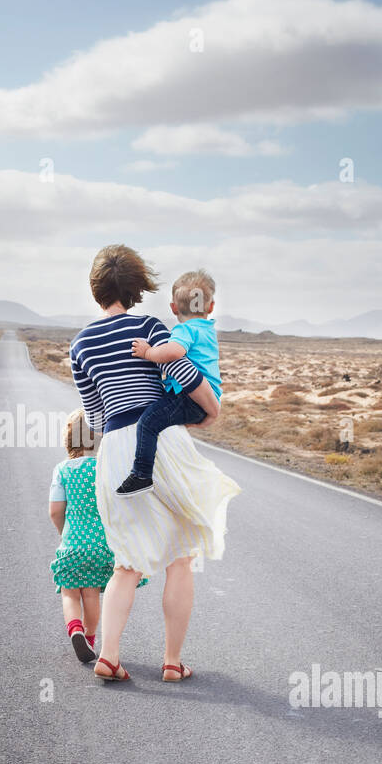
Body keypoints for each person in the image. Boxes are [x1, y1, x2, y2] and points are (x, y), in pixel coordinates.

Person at [70, 245, 240, 683]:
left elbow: (94, 418)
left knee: (126, 562)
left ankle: (108, 655)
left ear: (96, 288)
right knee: (180, 558)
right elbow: (182, 372)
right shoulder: (150, 326)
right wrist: (210, 410)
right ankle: (171, 661)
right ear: (136, 286)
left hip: (117, 448)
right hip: (163, 439)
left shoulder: (80, 344)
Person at [49, 409, 143, 662]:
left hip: (73, 543)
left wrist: (63, 533)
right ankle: (90, 638)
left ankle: (75, 629)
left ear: (70, 438)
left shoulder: (63, 470)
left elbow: (55, 510)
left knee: (69, 592)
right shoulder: (108, 468)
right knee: (91, 592)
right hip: (102, 545)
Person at [117, 269, 222, 495]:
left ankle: (141, 475)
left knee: (148, 423)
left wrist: (148, 353)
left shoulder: (185, 329)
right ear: (211, 307)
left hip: (190, 398)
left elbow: (174, 352)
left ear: (173, 308)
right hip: (207, 397)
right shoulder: (207, 330)